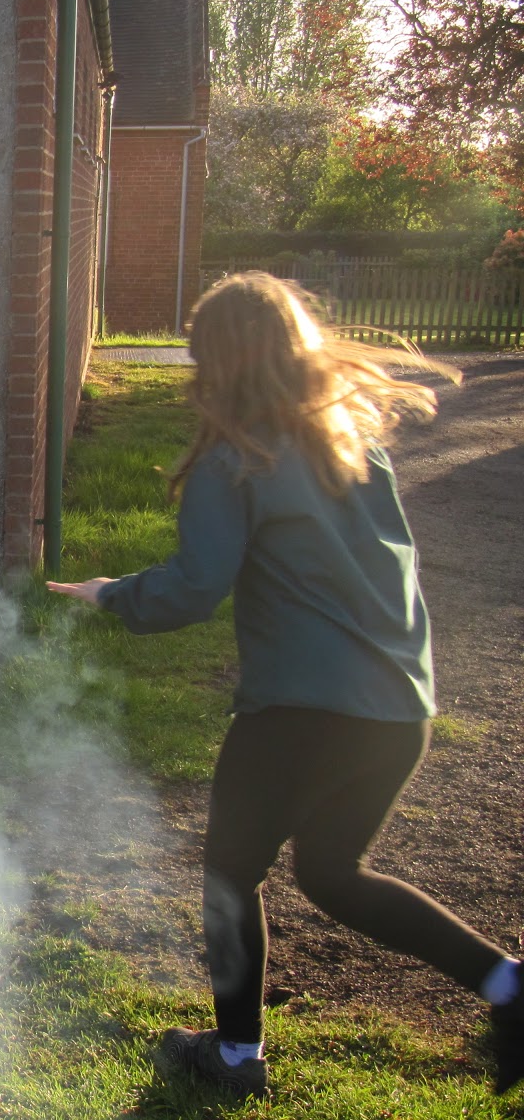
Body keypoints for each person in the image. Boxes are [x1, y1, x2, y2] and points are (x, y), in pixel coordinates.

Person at [47, 273, 521, 1100]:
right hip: (399, 707)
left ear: (220, 365)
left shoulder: (236, 461)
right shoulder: (351, 444)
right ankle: (512, 988)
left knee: (232, 873)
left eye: (199, 359)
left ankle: (234, 1060)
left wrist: (112, 593)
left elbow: (197, 587)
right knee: (334, 873)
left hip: (305, 711)